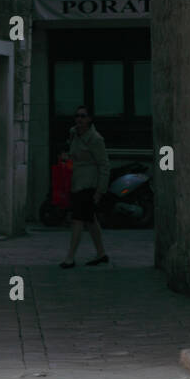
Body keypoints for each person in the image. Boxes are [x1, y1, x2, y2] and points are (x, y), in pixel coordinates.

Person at [59, 105, 110, 268]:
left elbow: (104, 165)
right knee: (90, 220)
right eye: (77, 116)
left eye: (83, 116)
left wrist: (100, 191)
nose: (79, 119)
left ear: (89, 119)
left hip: (88, 184)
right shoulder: (74, 134)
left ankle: (70, 256)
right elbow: (73, 154)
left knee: (78, 220)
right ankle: (101, 253)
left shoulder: (95, 139)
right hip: (76, 182)